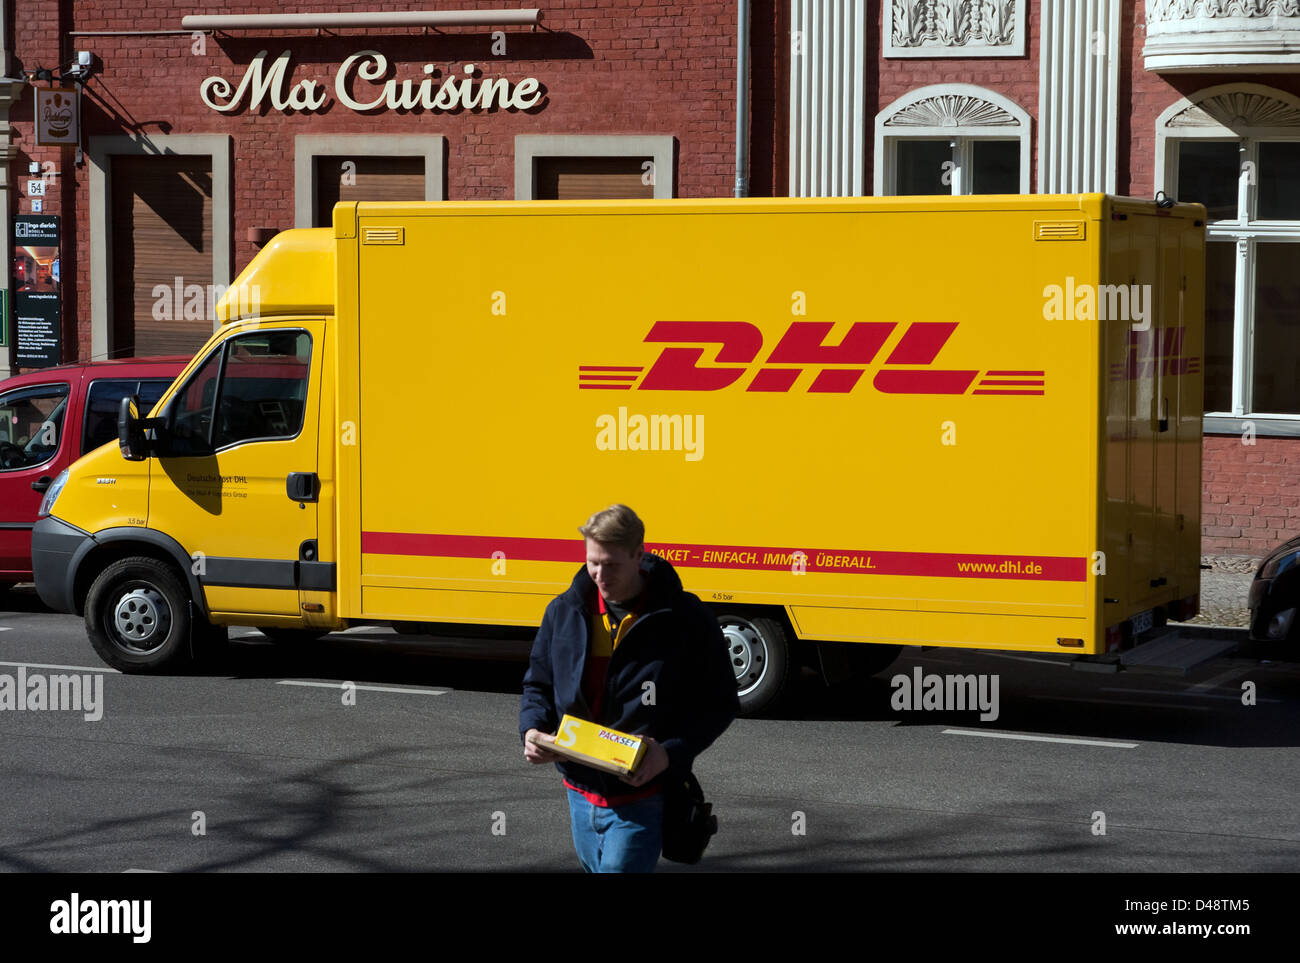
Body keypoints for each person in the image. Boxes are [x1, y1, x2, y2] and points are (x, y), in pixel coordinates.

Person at [520, 504, 739, 872]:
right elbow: (537, 684)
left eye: (612, 564)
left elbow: (719, 702)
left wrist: (669, 753)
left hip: (642, 797)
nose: (600, 576)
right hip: (578, 792)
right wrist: (531, 729)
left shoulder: (684, 618)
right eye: (593, 562)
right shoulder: (564, 611)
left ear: (639, 554)